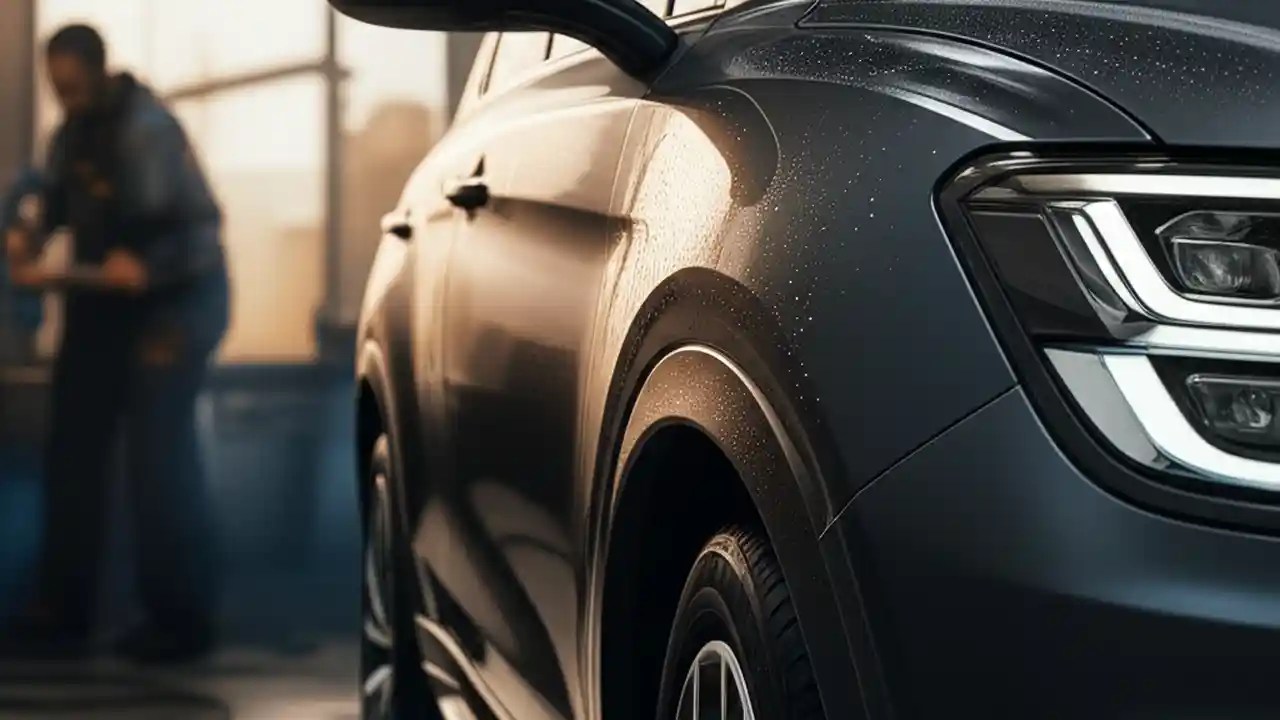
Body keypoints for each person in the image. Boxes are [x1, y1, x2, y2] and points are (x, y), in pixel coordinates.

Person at [3, 24, 229, 663]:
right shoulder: (70, 134)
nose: (63, 97)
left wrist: (149, 269)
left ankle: (181, 622)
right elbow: (48, 204)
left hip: (173, 305)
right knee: (71, 445)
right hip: (103, 299)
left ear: (98, 72)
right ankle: (63, 611)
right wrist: (29, 237)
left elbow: (202, 237)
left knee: (160, 460)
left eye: (71, 85)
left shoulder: (149, 129)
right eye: (56, 87)